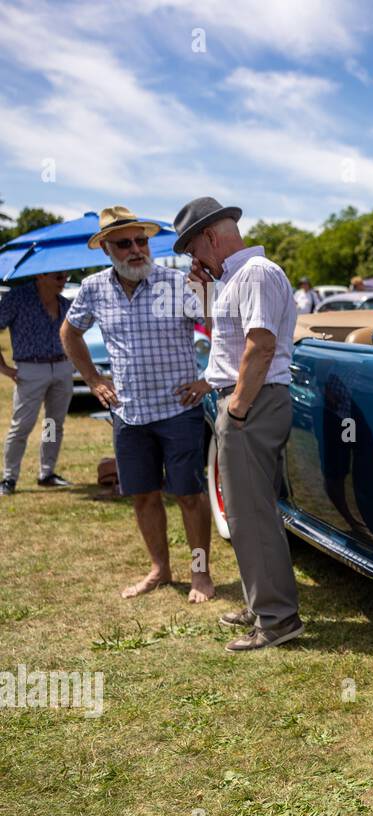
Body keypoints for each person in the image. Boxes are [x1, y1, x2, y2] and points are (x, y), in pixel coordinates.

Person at [61, 206, 215, 602]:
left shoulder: (175, 283)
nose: (136, 250)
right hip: (129, 413)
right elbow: (70, 333)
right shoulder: (94, 288)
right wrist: (94, 380)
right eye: (124, 243)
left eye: (141, 241)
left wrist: (207, 378)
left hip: (179, 409)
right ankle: (160, 570)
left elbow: (219, 326)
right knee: (143, 494)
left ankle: (200, 575)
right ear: (106, 250)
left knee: (189, 495)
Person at [171, 196, 303, 652]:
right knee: (246, 516)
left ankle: (277, 619)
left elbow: (260, 345)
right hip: (251, 401)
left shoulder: (257, 274)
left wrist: (238, 408)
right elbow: (229, 343)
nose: (194, 259)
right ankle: (263, 604)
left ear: (210, 237)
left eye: (192, 249)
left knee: (252, 514)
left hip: (254, 404)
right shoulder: (239, 278)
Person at [0, 270, 74, 495]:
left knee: (53, 423)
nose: (63, 282)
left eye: (66, 278)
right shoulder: (17, 298)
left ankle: (46, 473)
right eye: (58, 277)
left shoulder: (64, 303)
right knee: (21, 425)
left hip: (61, 367)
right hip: (31, 370)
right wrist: (3, 367)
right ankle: (8, 478)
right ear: (41, 275)